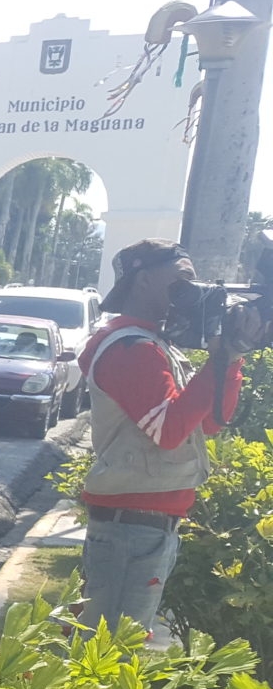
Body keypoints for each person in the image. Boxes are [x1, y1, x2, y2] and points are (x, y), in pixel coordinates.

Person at [79, 238, 261, 633]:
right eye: (183, 277)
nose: (193, 288)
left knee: (116, 643)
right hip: (132, 527)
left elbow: (211, 422)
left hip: (145, 524)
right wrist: (220, 358)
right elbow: (169, 431)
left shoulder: (155, 345)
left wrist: (230, 358)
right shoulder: (131, 348)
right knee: (110, 648)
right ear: (143, 279)